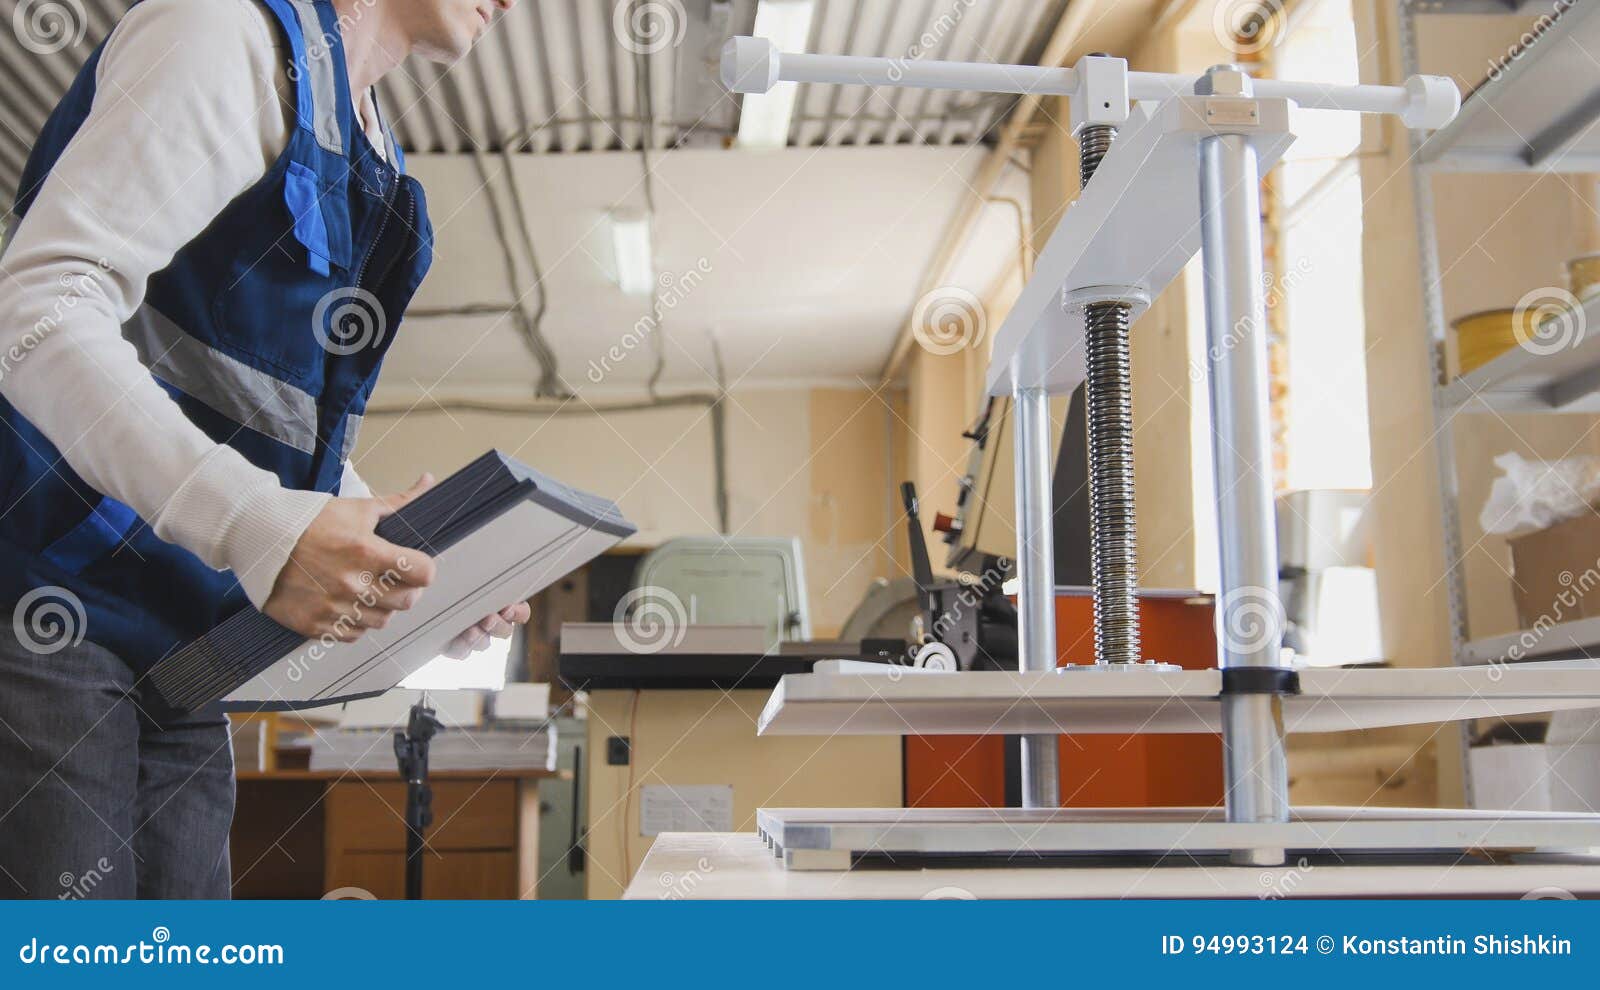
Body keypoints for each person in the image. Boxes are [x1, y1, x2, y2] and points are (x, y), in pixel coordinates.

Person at [0, 0, 522, 899]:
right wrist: (254, 527)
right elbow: (38, 312)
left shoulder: (365, 150)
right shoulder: (221, 33)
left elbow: (263, 418)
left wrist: (390, 551)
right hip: (53, 608)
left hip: (190, 650)